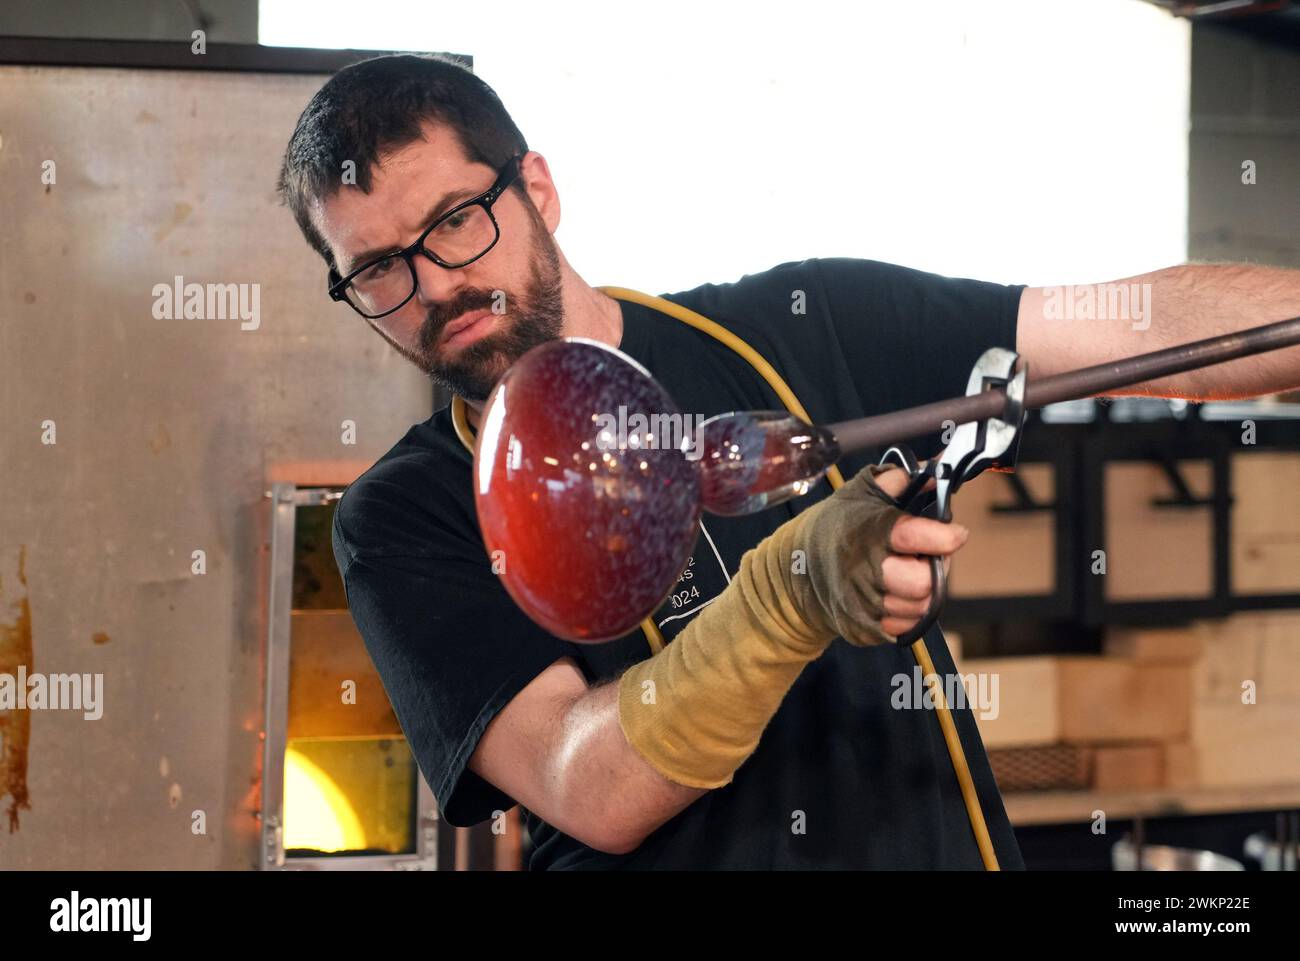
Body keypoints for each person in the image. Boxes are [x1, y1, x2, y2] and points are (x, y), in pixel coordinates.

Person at [277, 54, 1300, 869]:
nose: (435, 285)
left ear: (535, 188)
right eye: (375, 267)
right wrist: (792, 594)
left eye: (455, 222)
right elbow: (587, 786)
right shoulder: (408, 514)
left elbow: (1130, 328)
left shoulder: (804, 327)